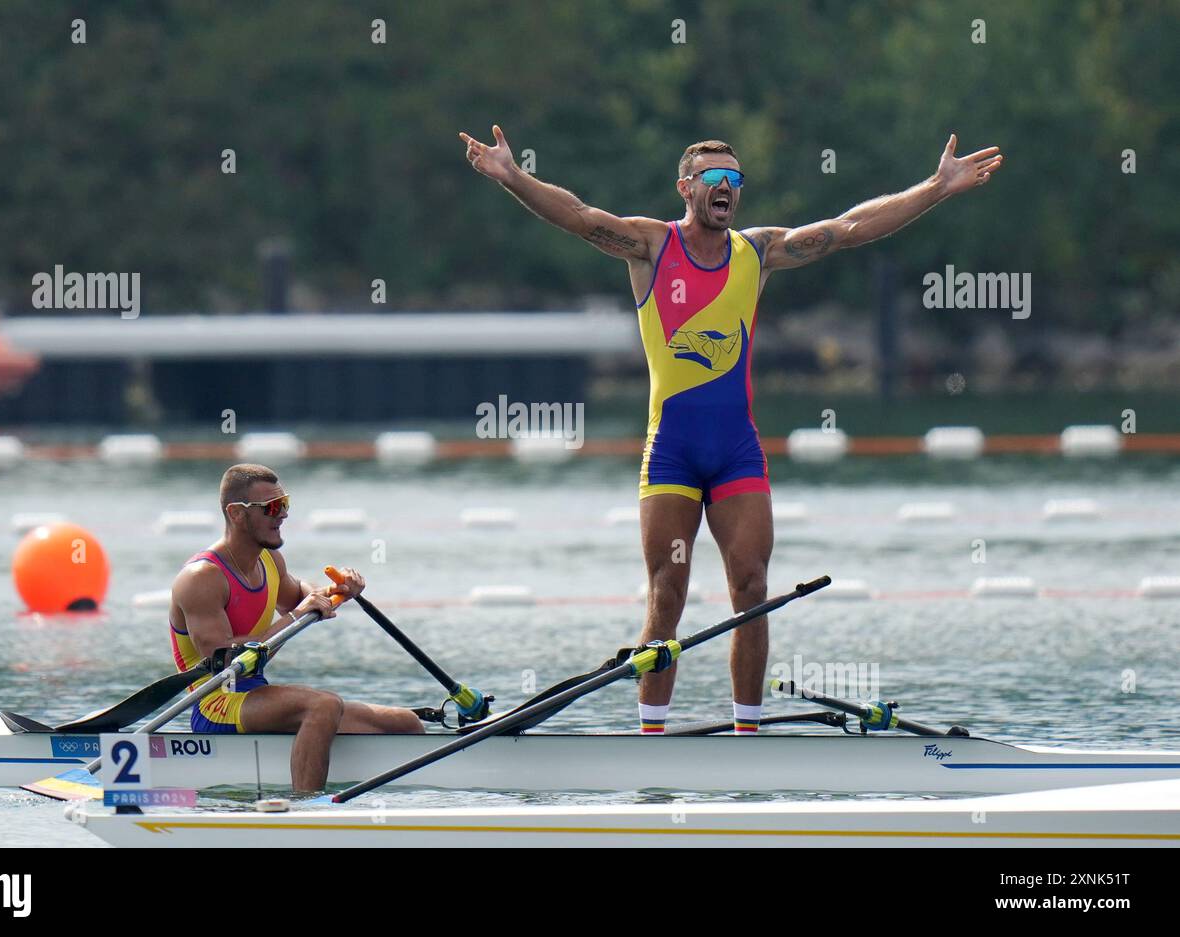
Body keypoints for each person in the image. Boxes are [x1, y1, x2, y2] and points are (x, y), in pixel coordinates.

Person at [459, 125, 1002, 734]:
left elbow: (849, 229)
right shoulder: (649, 245)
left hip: (736, 453)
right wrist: (512, 176)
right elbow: (581, 217)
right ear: (686, 187)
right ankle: (652, 733)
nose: (726, 188)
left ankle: (746, 732)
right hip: (671, 453)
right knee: (668, 591)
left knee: (752, 586)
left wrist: (935, 186)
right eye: (714, 177)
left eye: (735, 179)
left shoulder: (759, 251)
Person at [169, 463, 423, 791]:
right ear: (235, 513)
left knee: (405, 724)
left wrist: (337, 590)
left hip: (257, 694)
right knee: (322, 704)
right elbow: (222, 661)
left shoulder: (269, 561)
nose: (283, 515)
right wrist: (297, 614)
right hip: (217, 703)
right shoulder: (201, 578)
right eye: (272, 508)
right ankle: (305, 810)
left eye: (285, 504)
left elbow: (300, 597)